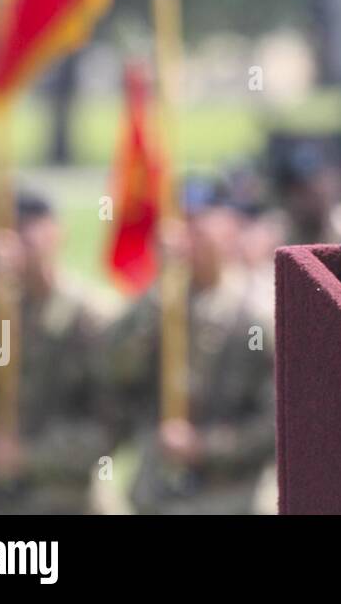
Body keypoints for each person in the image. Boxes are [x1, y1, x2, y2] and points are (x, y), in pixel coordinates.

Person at [0, 191, 114, 514]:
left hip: (64, 497)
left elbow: (112, 424)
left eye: (22, 232)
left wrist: (29, 454)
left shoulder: (89, 315)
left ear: (54, 234)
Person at [105, 177, 275, 513]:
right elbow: (115, 371)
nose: (187, 239)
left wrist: (203, 447)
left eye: (199, 226)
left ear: (229, 228)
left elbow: (278, 422)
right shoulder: (159, 307)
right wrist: (157, 294)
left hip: (236, 496)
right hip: (159, 496)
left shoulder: (260, 311)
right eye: (181, 226)